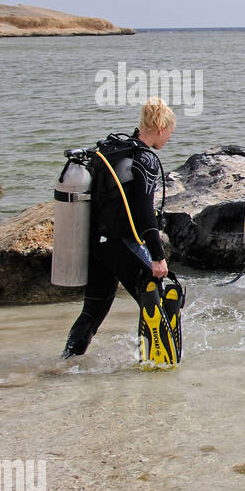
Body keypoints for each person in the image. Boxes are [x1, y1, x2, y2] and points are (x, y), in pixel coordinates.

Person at [61, 98, 175, 358]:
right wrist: (158, 257)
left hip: (97, 245)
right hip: (122, 243)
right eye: (170, 133)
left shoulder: (113, 149)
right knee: (159, 302)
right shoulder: (144, 159)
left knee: (92, 312)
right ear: (160, 129)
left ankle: (66, 363)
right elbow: (145, 214)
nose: (169, 139)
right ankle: (155, 364)